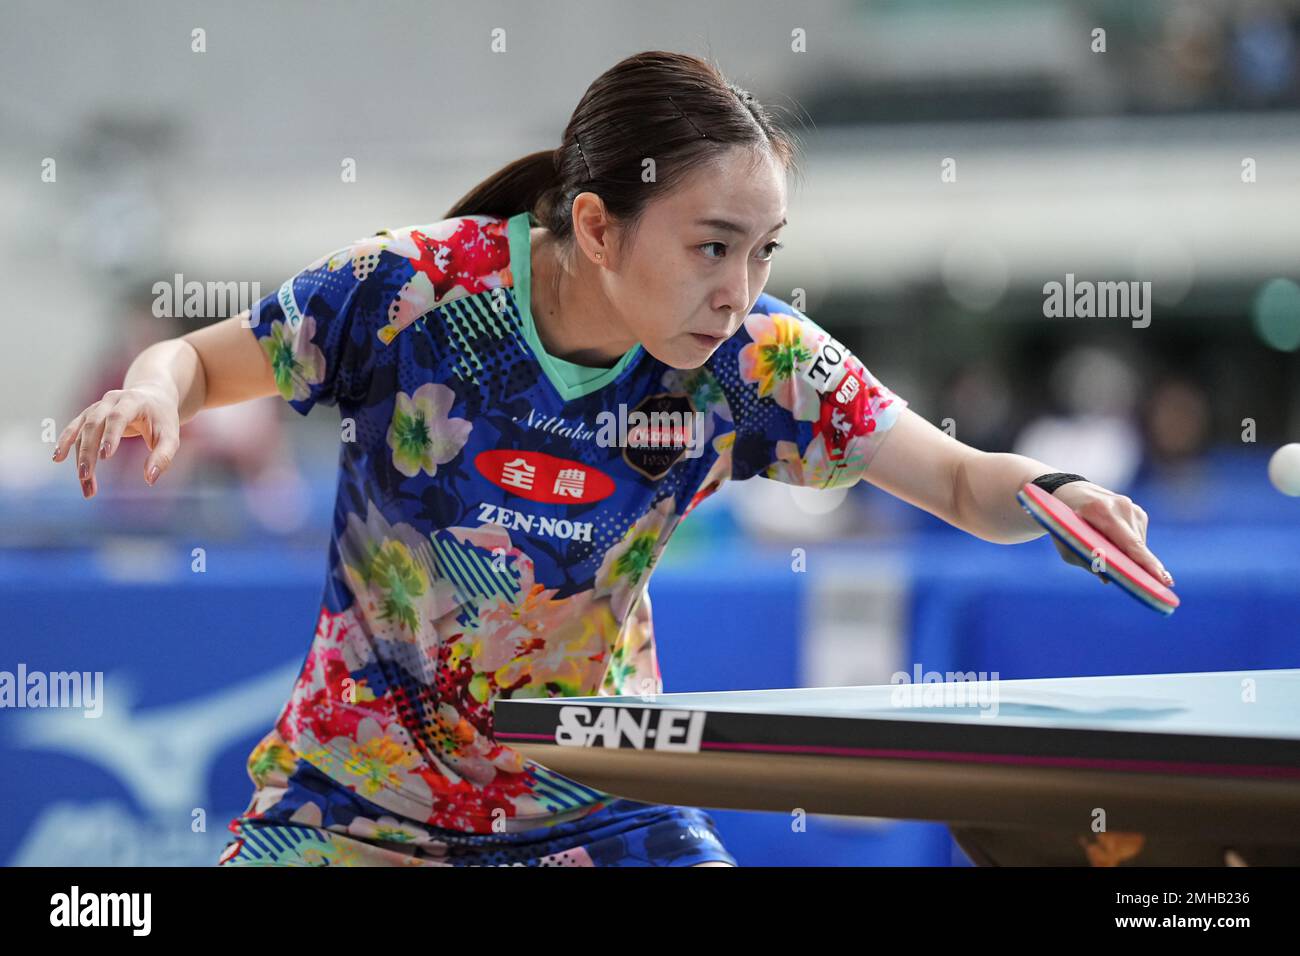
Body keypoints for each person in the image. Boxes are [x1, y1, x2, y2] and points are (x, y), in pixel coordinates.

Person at [51, 50, 1174, 867]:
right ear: (596, 227)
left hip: (598, 800)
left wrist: (1057, 493)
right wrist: (148, 395)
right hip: (354, 804)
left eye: (761, 251)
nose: (737, 288)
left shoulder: (752, 359)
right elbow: (196, 364)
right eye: (710, 247)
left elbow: (959, 478)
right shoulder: (410, 291)